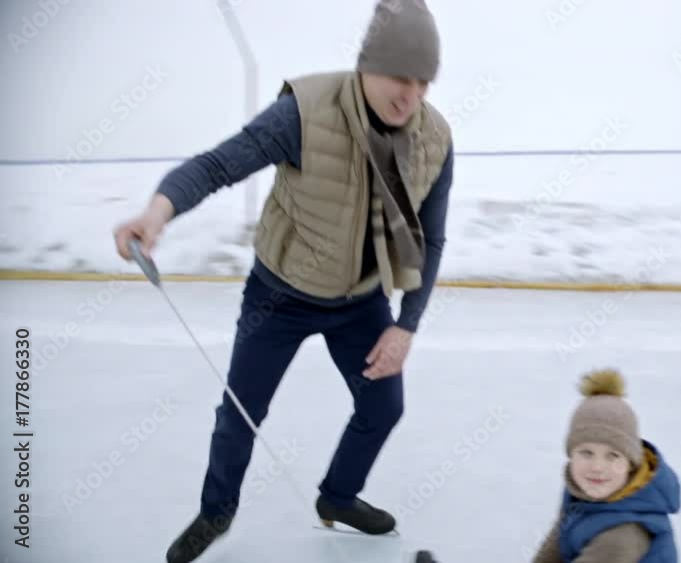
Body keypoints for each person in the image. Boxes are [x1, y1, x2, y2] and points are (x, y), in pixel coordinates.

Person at [111, 1, 453, 561]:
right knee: (241, 410)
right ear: (367, 64)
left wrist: (406, 325)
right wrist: (157, 214)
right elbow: (216, 166)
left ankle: (339, 497)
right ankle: (216, 511)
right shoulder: (303, 113)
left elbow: (431, 238)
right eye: (398, 75)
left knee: (384, 406)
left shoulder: (434, 139)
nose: (409, 95)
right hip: (280, 295)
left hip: (363, 301)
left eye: (423, 81)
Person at [532, 368, 681, 563]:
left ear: (631, 464)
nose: (597, 467)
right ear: (571, 456)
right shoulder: (581, 494)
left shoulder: (623, 534)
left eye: (612, 456)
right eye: (586, 453)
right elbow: (555, 546)